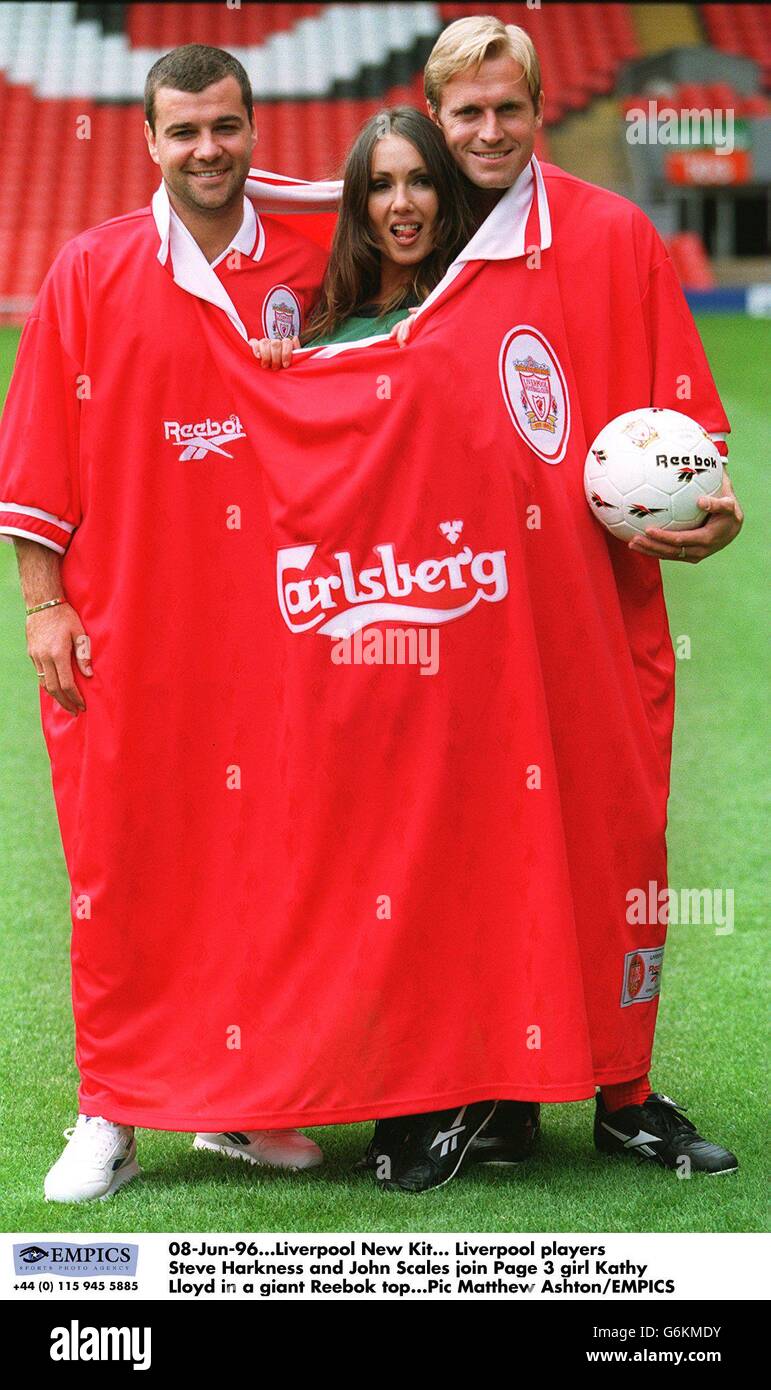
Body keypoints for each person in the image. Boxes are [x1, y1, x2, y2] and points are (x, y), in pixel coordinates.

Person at [372, 15, 743, 1192]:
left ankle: (623, 1094)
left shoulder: (616, 236)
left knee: (613, 843)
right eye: (466, 111)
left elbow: (693, 439)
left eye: (510, 108)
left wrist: (712, 506)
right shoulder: (396, 236)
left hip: (595, 615)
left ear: (540, 112)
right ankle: (486, 1084)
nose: (490, 130)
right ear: (434, 116)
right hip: (441, 622)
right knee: (459, 848)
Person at [0, 43, 330, 1201]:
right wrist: (44, 606)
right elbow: (37, 459)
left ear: (253, 130)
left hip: (276, 638)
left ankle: (242, 1109)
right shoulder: (90, 271)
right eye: (184, 130)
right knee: (124, 869)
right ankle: (114, 1109)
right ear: (149, 140)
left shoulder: (308, 265)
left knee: (267, 867)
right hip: (126, 635)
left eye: (225, 127)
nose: (207, 149)